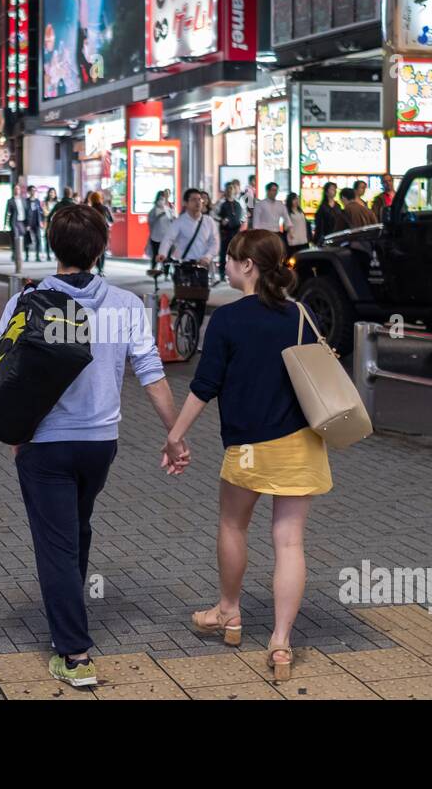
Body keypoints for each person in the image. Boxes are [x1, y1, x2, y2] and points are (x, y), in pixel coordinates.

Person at [0, 202, 185, 688]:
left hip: (45, 443)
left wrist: (15, 434)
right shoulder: (125, 304)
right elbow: (150, 373)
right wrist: (175, 432)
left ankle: (74, 655)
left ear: (53, 244)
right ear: (100, 248)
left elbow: (6, 371)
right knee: (76, 530)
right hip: (101, 443)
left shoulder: (29, 300)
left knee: (57, 543)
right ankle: (69, 613)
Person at [164, 228, 332, 682]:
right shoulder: (300, 314)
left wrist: (175, 436)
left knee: (232, 524)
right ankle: (281, 643)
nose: (227, 264)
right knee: (290, 542)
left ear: (248, 266)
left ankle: (229, 612)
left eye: (232, 258)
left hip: (250, 449)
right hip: (301, 444)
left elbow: (203, 388)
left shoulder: (227, 320)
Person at [158, 189, 220, 276]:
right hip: (183, 265)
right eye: (193, 199)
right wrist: (162, 253)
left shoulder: (208, 221)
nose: (198, 202)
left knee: (202, 289)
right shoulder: (179, 222)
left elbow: (215, 242)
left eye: (199, 199)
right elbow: (168, 239)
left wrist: (207, 257)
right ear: (185, 203)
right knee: (183, 289)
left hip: (202, 266)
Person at [213, 182, 244, 283]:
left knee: (236, 253)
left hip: (236, 231)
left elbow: (243, 215)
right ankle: (222, 274)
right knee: (223, 254)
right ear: (226, 191)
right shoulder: (221, 202)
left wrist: (241, 222)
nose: (230, 191)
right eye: (228, 189)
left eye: (232, 189)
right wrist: (221, 220)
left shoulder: (238, 203)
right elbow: (213, 214)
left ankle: (236, 273)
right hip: (225, 232)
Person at [145, 189, 175, 270]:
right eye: (160, 198)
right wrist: (159, 215)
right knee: (156, 254)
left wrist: (173, 216)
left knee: (167, 255)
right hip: (155, 237)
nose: (162, 201)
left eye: (164, 198)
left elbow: (174, 220)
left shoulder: (170, 208)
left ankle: (166, 272)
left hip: (167, 236)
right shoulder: (153, 210)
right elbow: (150, 222)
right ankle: (154, 269)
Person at [86, 190, 113, 275]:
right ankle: (101, 269)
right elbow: (112, 220)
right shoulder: (105, 208)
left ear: (91, 199)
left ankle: (98, 266)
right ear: (100, 199)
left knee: (95, 250)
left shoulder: (90, 209)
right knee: (103, 250)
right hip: (104, 231)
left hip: (92, 231)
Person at [5, 184, 30, 262]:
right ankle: (15, 254)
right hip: (14, 222)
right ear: (13, 190)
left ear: (20, 190)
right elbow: (7, 213)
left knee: (24, 238)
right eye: (15, 189)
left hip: (23, 222)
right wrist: (6, 224)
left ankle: (26, 254)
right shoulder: (10, 201)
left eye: (18, 189)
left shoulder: (24, 200)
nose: (17, 190)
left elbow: (27, 212)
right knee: (15, 238)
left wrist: (28, 224)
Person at [284, 192, 311, 258]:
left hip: (303, 240)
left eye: (297, 199)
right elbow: (285, 227)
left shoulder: (300, 211)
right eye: (294, 199)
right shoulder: (287, 212)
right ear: (290, 201)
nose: (296, 201)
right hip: (294, 241)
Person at [27, 185, 49, 262]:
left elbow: (40, 212)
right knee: (28, 239)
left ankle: (37, 256)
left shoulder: (37, 201)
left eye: (34, 190)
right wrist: (26, 224)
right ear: (29, 192)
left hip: (36, 222)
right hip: (29, 223)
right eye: (32, 190)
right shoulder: (26, 201)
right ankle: (27, 256)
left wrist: (41, 221)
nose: (33, 192)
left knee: (38, 239)